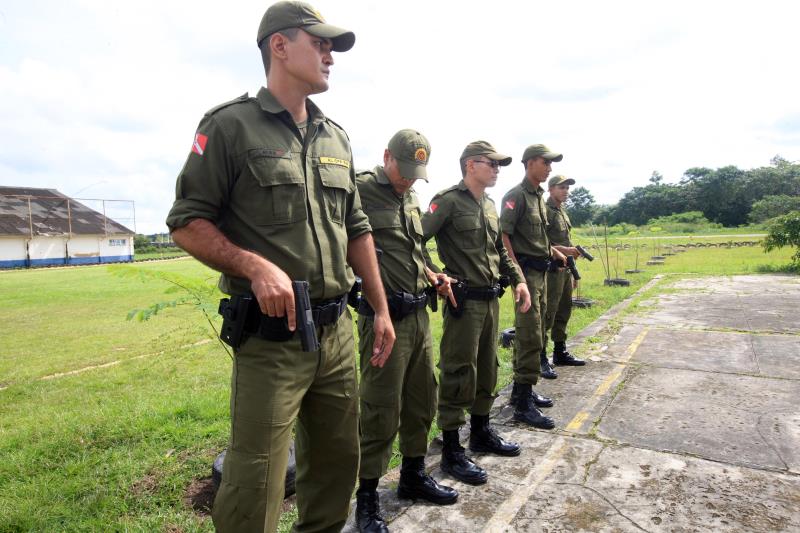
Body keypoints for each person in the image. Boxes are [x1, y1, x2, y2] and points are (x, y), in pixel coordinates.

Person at [165, 3, 396, 532]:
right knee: (256, 479)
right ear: (279, 46)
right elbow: (186, 221)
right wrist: (253, 266)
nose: (330, 56)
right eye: (320, 44)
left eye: (332, 47)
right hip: (272, 340)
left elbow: (357, 229)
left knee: (337, 465)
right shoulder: (229, 127)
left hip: (337, 333)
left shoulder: (335, 136)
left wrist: (379, 310)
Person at [354, 130, 458, 533]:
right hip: (383, 319)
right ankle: (367, 498)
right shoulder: (361, 189)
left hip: (419, 316)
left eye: (418, 173)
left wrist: (433, 275)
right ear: (386, 158)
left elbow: (415, 250)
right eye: (405, 170)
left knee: (422, 400)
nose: (410, 180)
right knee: (380, 408)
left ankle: (412, 476)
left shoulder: (411, 197)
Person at [422, 141, 531, 486]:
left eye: (499, 165)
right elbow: (415, 239)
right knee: (458, 369)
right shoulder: (447, 201)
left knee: (487, 367)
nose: (497, 169)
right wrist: (434, 273)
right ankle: (452, 449)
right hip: (463, 301)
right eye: (492, 164)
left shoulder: (488, 204)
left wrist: (518, 281)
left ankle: (481, 431)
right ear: (471, 165)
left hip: (490, 299)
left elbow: (499, 247)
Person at [499, 144, 569, 430]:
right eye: (545, 162)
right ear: (529, 164)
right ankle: (522, 404)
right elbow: (504, 238)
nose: (549, 168)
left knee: (537, 332)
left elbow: (539, 238)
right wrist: (518, 278)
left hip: (541, 275)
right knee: (528, 335)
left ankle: (521, 392)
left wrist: (554, 251)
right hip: (526, 276)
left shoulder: (540, 198)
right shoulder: (516, 196)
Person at [544, 175, 586, 367]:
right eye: (561, 187)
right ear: (551, 189)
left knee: (564, 311)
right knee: (548, 313)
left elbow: (566, 242)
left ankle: (560, 351)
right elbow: (539, 243)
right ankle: (540, 356)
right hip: (550, 271)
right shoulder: (544, 211)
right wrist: (563, 250)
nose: (565, 191)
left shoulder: (562, 212)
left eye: (567, 188)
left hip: (565, 270)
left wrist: (573, 271)